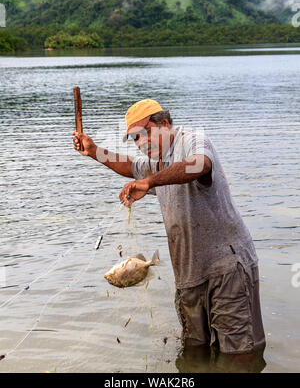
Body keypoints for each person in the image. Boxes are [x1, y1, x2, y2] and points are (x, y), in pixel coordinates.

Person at [72, 98, 266, 369]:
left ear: (164, 123)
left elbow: (199, 166)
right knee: (194, 350)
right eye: (134, 139)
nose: (140, 143)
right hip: (188, 273)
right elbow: (130, 166)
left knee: (238, 351)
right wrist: (94, 151)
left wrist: (150, 181)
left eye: (144, 134)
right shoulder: (158, 163)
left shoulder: (193, 141)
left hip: (226, 268)